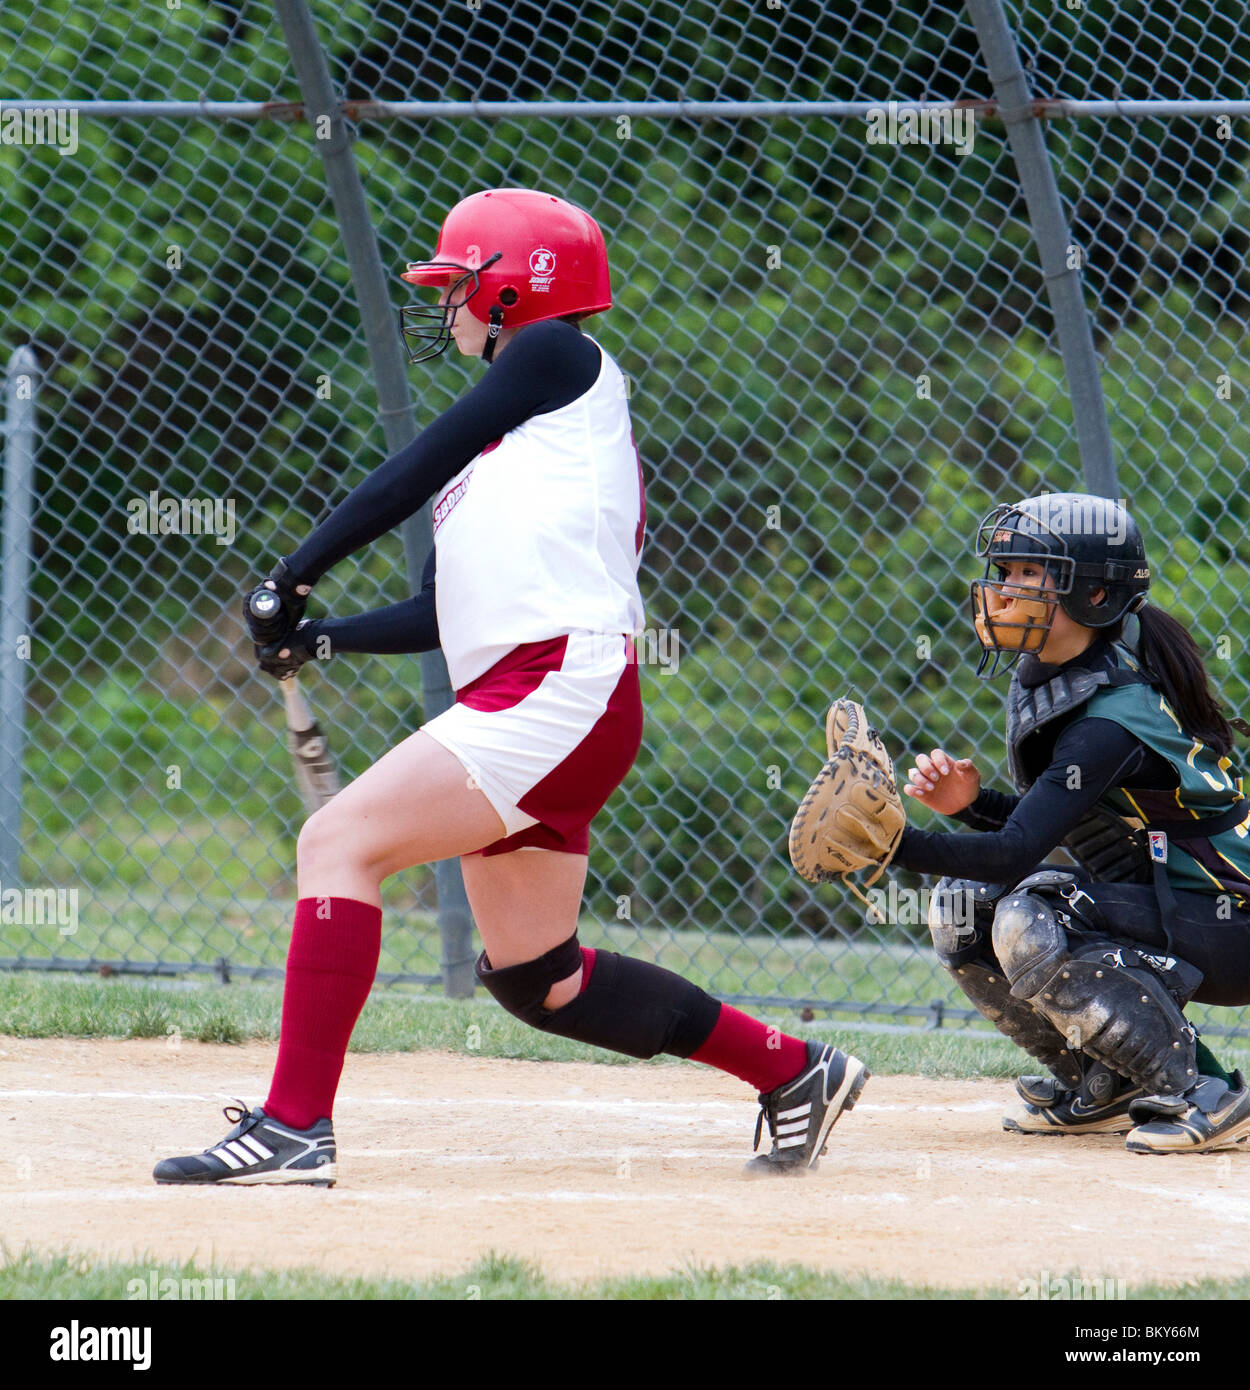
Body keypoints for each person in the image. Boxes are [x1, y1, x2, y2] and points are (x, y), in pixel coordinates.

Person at [152, 188, 866, 1186]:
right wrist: (319, 638)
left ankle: (291, 1126)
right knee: (542, 979)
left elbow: (408, 466)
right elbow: (438, 613)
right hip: (551, 699)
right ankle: (795, 1070)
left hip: (555, 688)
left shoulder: (553, 356)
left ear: (508, 288)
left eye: (456, 284)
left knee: (337, 841)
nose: (446, 304)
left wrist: (290, 574)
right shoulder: (515, 451)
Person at [891, 491, 1250, 1153]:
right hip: (1181, 904)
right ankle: (1104, 1079)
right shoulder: (1072, 675)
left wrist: (894, 846)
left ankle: (1209, 1090)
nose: (1004, 590)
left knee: (1037, 912)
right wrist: (969, 807)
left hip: (1230, 920)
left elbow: (1015, 853)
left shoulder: (1109, 719)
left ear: (1093, 595)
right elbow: (1047, 825)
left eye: (1031, 574)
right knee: (964, 907)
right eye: (1004, 571)